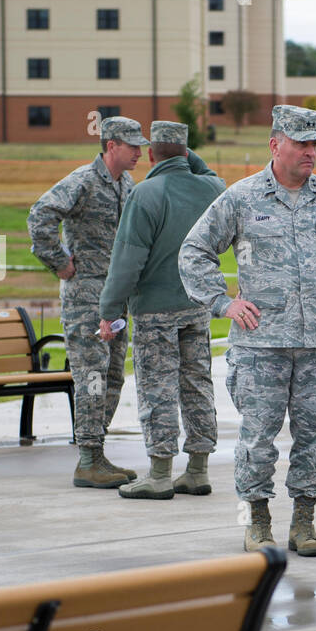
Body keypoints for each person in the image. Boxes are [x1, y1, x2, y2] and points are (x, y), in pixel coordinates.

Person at [179, 105, 316, 555]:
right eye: (301, 143)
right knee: (258, 437)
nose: (310, 152)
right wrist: (222, 302)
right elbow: (195, 251)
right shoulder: (241, 198)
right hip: (260, 346)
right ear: (275, 145)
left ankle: (304, 523)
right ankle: (258, 521)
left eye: (313, 144)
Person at [97, 121, 226, 499]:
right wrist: (184, 155)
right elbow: (206, 171)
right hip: (196, 305)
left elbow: (127, 261)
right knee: (197, 383)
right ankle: (198, 470)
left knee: (158, 389)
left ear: (151, 154)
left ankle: (159, 474)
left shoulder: (146, 193)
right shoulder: (212, 190)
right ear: (186, 152)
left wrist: (109, 310)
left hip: (154, 309)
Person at [28, 116, 146, 488]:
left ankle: (97, 452)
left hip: (115, 298)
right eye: (132, 146)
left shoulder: (126, 183)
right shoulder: (82, 180)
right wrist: (60, 262)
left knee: (112, 376)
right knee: (92, 374)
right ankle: (88, 459)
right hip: (86, 298)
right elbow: (40, 215)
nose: (139, 152)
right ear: (111, 146)